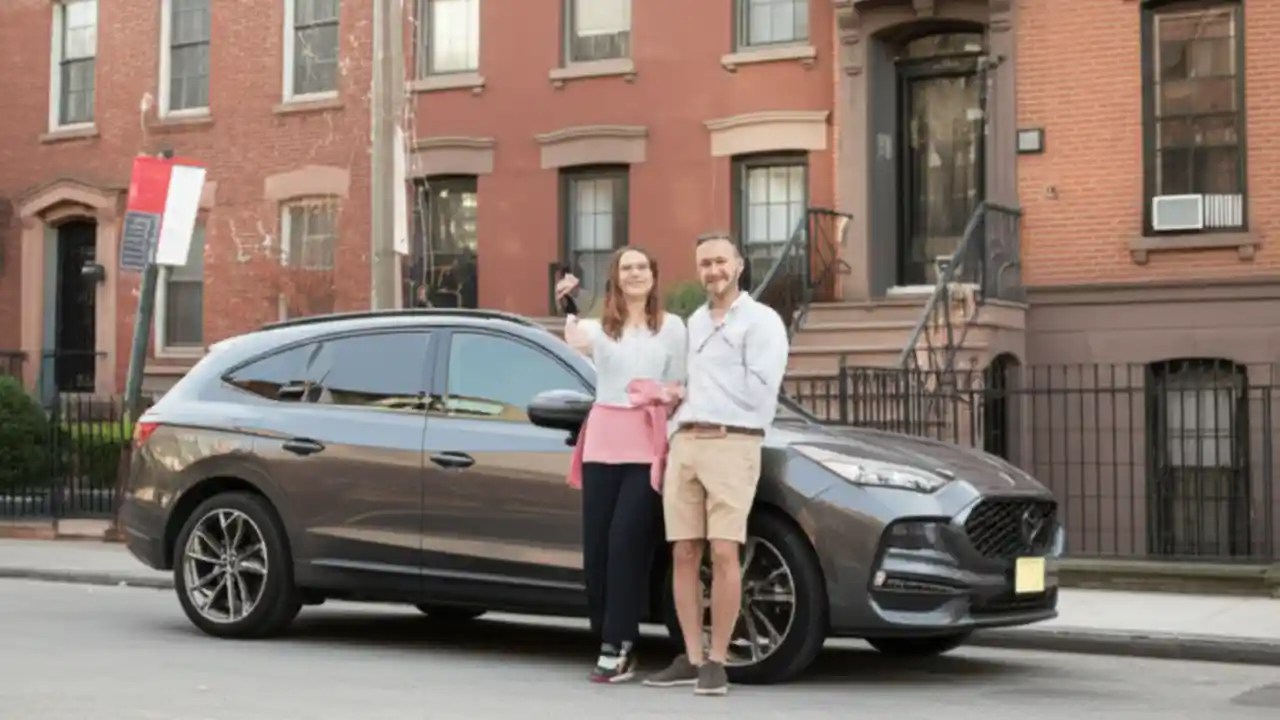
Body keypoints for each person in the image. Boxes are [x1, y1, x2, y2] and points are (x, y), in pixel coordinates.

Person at [643, 231, 789, 696]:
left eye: (720, 262)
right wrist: (675, 415)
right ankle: (690, 655)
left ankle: (718, 661)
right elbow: (683, 381)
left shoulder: (763, 322)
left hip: (732, 444)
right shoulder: (695, 324)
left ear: (739, 265)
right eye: (705, 263)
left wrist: (698, 395)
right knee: (683, 552)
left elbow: (758, 391)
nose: (713, 271)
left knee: (725, 552)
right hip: (686, 443)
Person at [561, 246, 688, 683]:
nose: (635, 273)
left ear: (654, 274)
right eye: (626, 267)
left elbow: (682, 384)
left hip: (646, 443)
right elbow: (572, 336)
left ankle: (621, 643)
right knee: (597, 548)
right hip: (602, 441)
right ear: (615, 277)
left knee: (625, 542)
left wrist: (662, 395)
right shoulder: (599, 329)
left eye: (642, 266)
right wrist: (567, 301)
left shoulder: (672, 327)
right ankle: (606, 637)